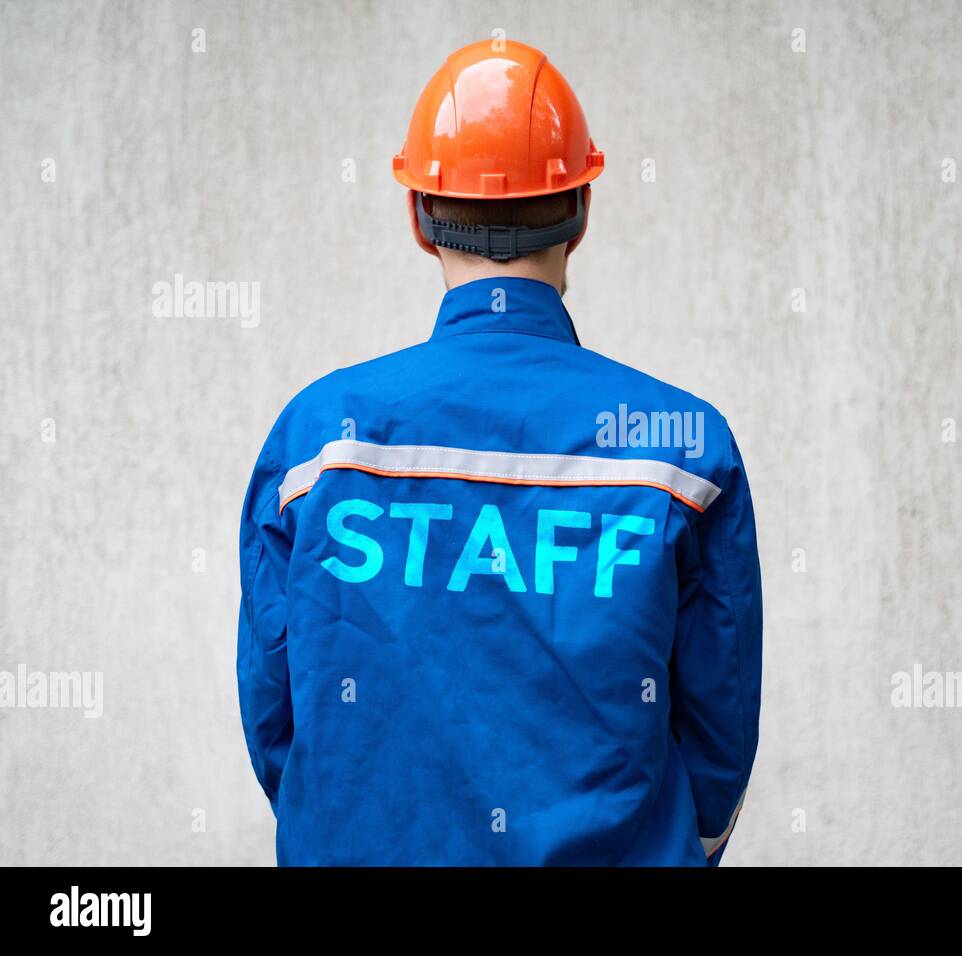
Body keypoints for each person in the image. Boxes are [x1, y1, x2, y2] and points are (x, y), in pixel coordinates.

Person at [236, 38, 762, 866]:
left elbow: (276, 718)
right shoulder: (682, 448)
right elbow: (719, 735)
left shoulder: (317, 440)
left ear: (418, 218)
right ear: (580, 210)